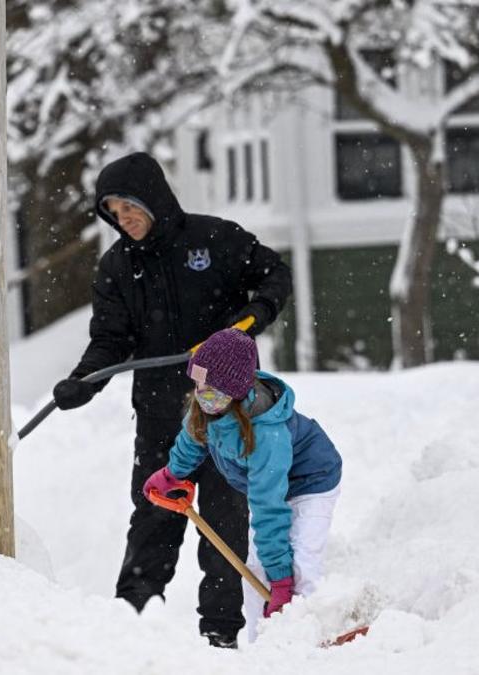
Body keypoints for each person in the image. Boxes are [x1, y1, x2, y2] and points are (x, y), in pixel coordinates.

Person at [51, 152, 292, 649]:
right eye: (114, 213)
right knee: (154, 510)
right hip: (162, 415)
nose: (124, 220)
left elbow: (275, 276)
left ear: (153, 198)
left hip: (228, 410)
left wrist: (247, 321)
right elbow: (110, 340)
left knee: (225, 519)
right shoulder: (117, 267)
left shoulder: (214, 239)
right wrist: (83, 380)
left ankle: (221, 633)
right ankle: (132, 620)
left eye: (130, 207)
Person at [143, 328, 343, 641]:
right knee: (253, 569)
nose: (200, 392)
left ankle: (311, 638)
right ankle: (262, 644)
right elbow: (191, 440)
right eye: (197, 383)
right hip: (269, 484)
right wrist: (171, 475)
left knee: (301, 564)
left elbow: (268, 509)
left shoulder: (267, 434)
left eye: (209, 386)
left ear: (234, 389)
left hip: (311, 482)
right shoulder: (209, 407)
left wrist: (280, 582)